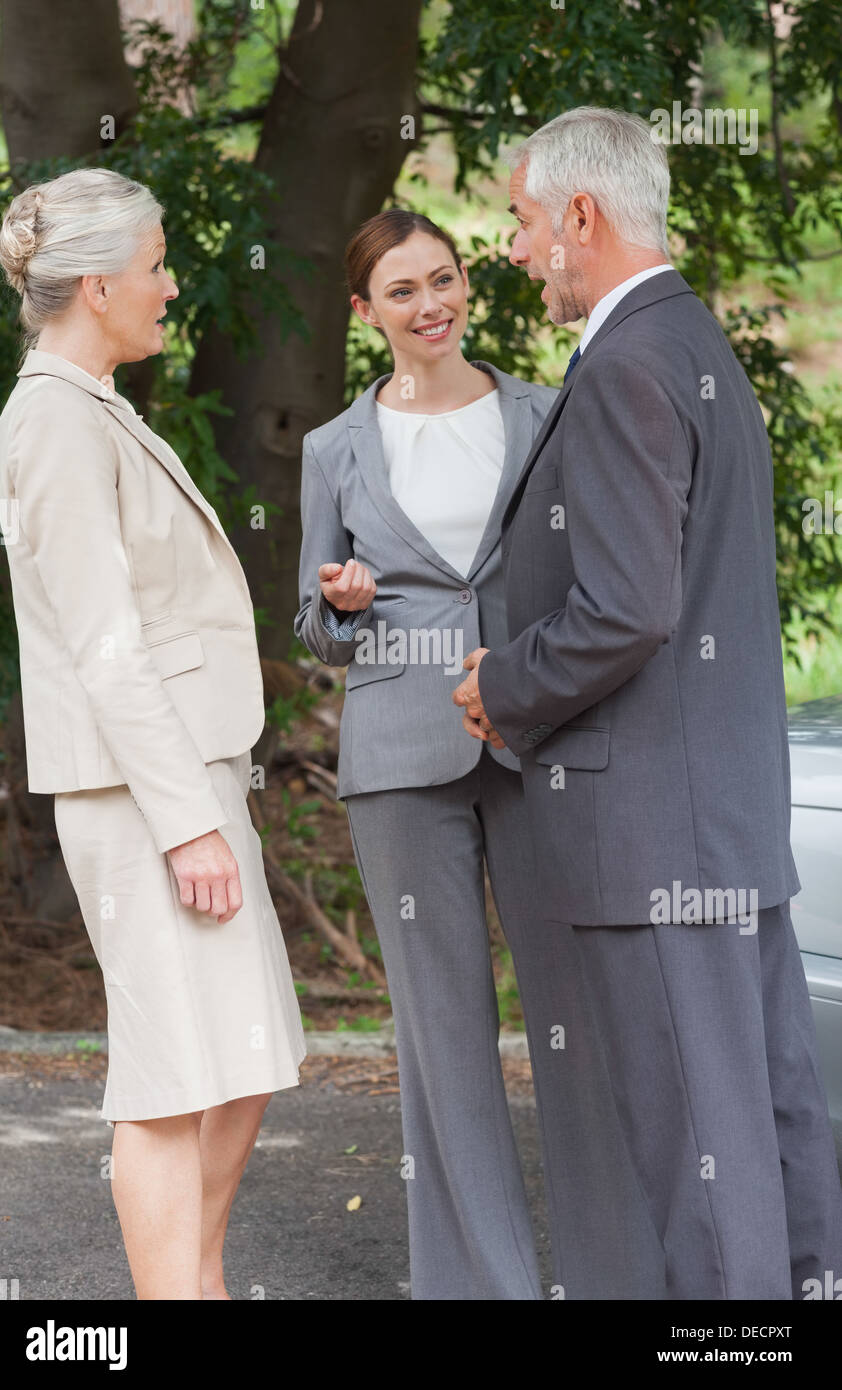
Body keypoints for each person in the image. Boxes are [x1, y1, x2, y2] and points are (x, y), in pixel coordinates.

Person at [454, 105, 842, 1299]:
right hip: (719, 822)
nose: (513, 252)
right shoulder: (695, 342)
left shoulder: (625, 363)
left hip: (652, 842)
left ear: (581, 214)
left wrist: (498, 686)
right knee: (769, 1137)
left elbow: (628, 609)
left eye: (522, 223)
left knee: (701, 1164)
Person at [295, 208, 661, 1300]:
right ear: (366, 315)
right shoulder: (333, 448)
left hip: (541, 737)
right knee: (443, 1031)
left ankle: (619, 1275)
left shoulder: (547, 412)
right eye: (401, 291)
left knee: (583, 1014)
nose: (431, 304)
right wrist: (344, 603)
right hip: (402, 760)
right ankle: (478, 1287)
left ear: (467, 285)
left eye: (443, 278)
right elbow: (314, 631)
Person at [0, 167, 306, 1300]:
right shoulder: (53, 422)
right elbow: (104, 647)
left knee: (244, 1061)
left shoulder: (93, 406)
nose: (170, 286)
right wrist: (185, 828)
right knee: (175, 1077)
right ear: (95, 284)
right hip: (144, 799)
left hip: (187, 778)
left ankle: (193, 1278)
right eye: (158, 265)